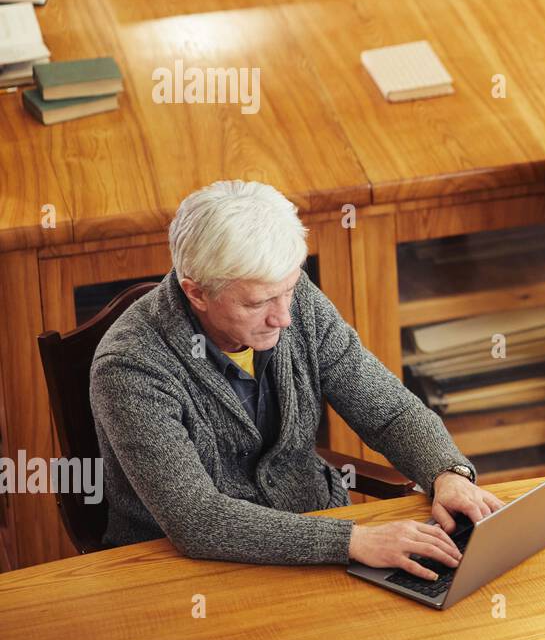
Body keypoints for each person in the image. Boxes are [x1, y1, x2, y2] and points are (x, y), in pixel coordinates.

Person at [90, 180, 502, 582]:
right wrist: (351, 541)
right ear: (196, 292)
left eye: (287, 290)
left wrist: (446, 472)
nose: (284, 317)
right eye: (257, 303)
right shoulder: (129, 366)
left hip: (318, 536)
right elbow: (198, 519)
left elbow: (388, 411)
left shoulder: (294, 296)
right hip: (182, 573)